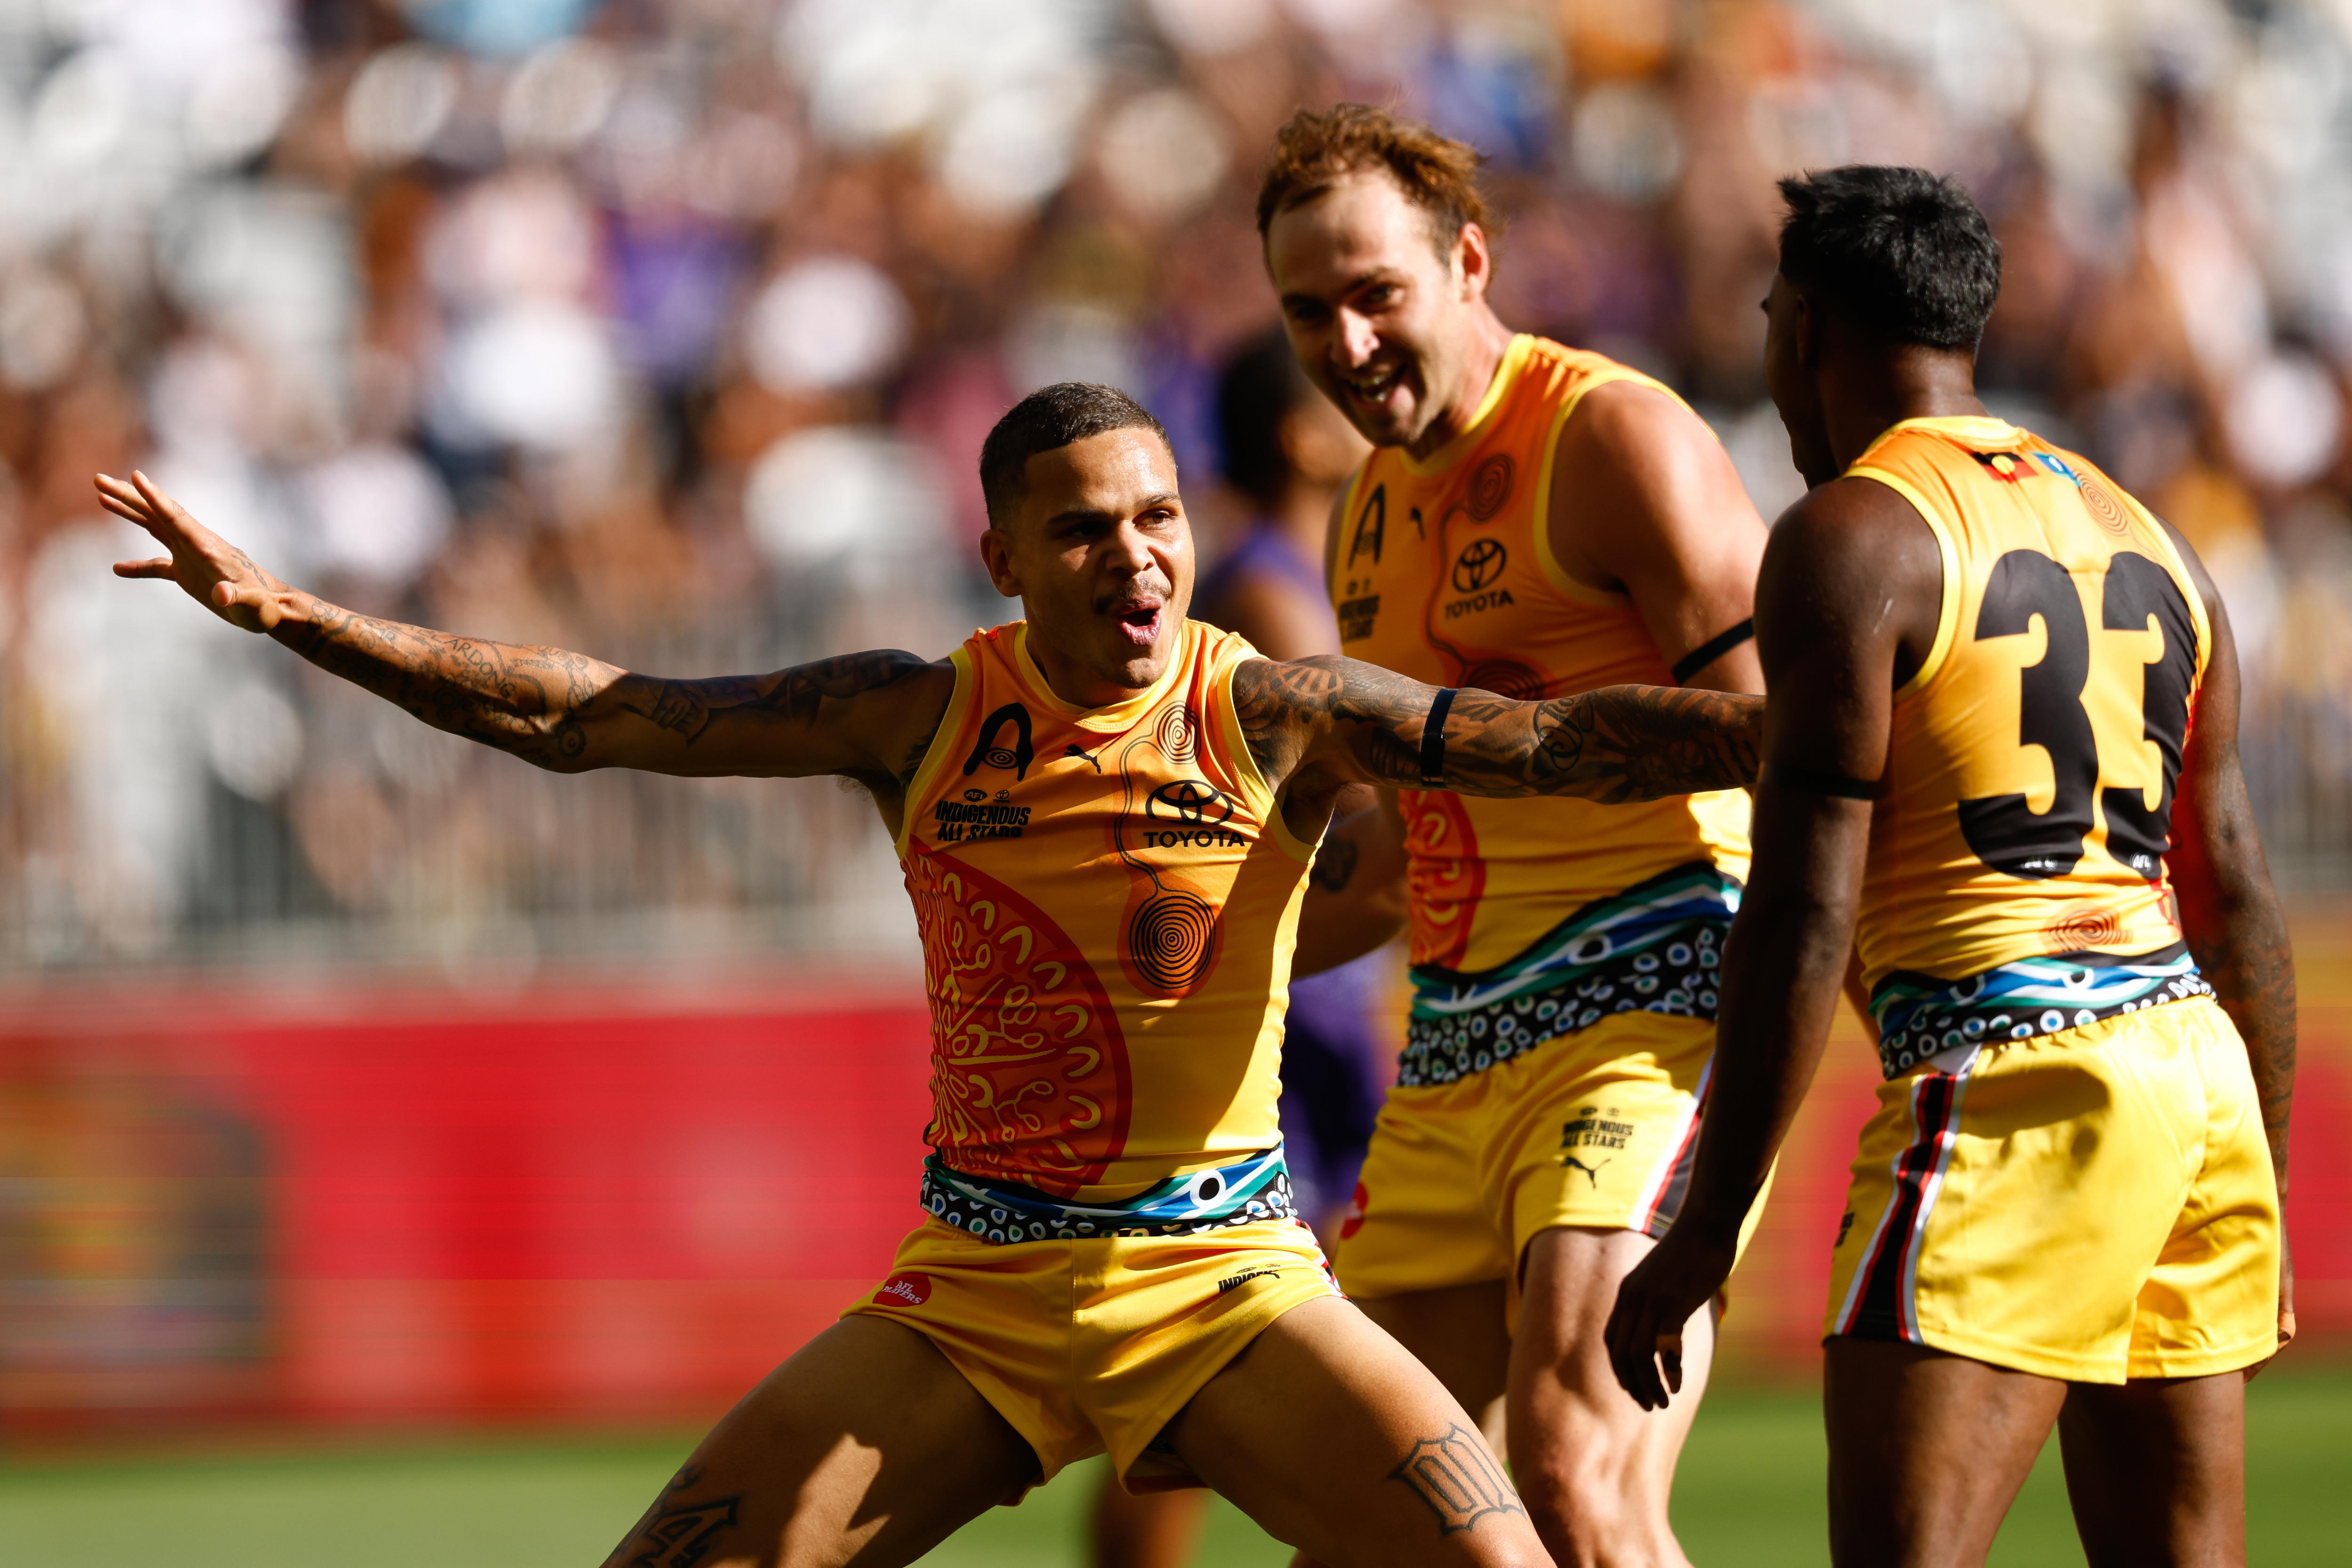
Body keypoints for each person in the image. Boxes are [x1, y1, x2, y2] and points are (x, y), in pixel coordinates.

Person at [101, 381, 1764, 1568]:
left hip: (1227, 1281)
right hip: (978, 1290)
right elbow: (584, 716)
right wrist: (294, 617)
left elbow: (1552, 745)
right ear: (1003, 559)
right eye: (1084, 530)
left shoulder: (1279, 709)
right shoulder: (915, 717)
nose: (1136, 559)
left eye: (1159, 518)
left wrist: (1809, 732)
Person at [1605, 167, 2295, 1568]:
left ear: (1806, 328)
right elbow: (2238, 886)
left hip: (2013, 1077)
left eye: (1769, 314)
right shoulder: (2151, 532)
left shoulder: (1851, 538)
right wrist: (2258, 1183)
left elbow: (1803, 916)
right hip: (2193, 1073)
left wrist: (1701, 1229)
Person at [1256, 104, 1771, 1568]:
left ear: (1469, 262)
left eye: (1376, 296)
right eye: (1308, 310)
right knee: (1373, 1511)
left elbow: (1795, 747)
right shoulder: (1364, 511)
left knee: (1573, 1466)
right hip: (1463, 1029)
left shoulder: (1611, 434)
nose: (1345, 341)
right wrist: (1203, 948)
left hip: (1654, 1000)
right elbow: (1406, 850)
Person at [1087, 330, 1390, 1568]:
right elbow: (1359, 793)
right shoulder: (1271, 586)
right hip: (1293, 998)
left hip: (1316, 983)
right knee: (1224, 1346)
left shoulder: (1286, 568)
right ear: (1297, 434)